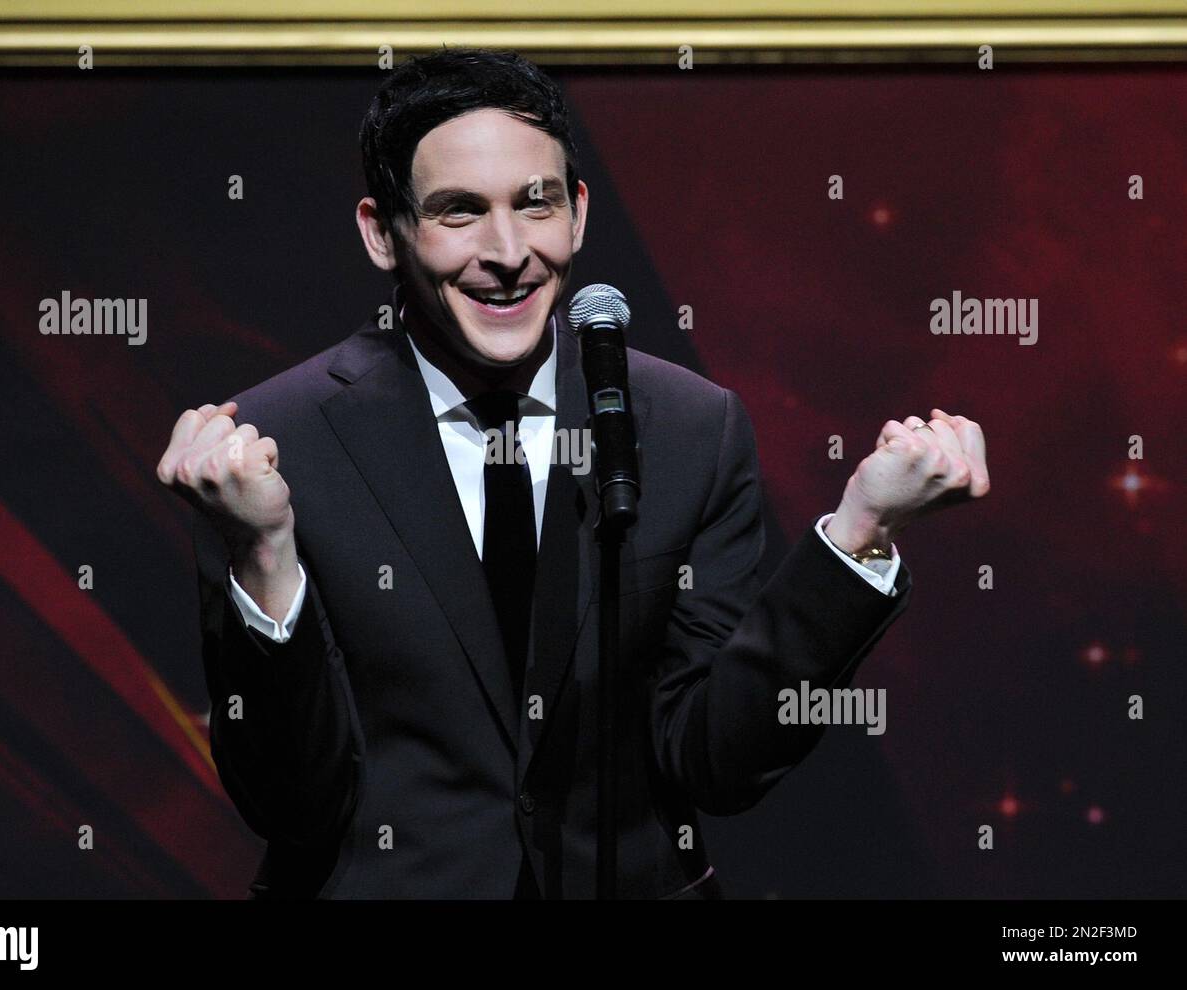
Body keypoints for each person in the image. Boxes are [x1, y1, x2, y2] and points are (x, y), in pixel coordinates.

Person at [156, 48, 989, 899]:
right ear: (381, 232)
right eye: (458, 212)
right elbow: (292, 803)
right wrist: (262, 552)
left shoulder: (691, 428)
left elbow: (715, 762)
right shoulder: (274, 445)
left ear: (578, 213)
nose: (508, 251)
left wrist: (858, 534)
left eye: (535, 203)